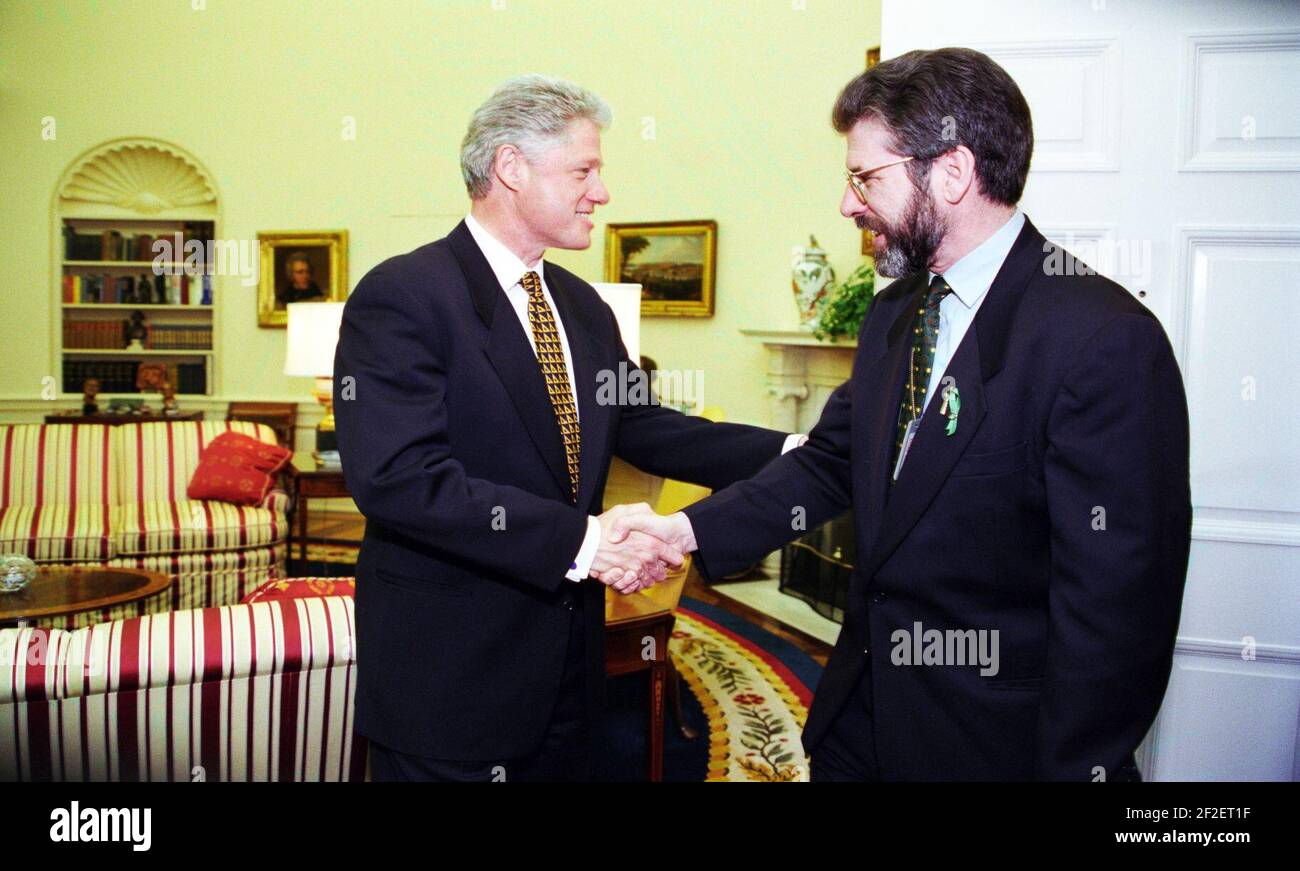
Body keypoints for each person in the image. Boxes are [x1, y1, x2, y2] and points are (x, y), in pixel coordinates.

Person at [613, 48, 1192, 781]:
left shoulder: (1102, 339)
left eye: (865, 177)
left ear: (951, 171)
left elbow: (1117, 616)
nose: (848, 203)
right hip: (860, 717)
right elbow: (828, 465)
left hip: (992, 746)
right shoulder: (893, 315)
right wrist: (685, 528)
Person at [332, 75, 800, 782]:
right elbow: (399, 478)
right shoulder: (404, 294)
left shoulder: (582, 306)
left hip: (569, 667)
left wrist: (796, 452)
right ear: (512, 169)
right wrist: (585, 541)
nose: (602, 193)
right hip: (451, 674)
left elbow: (641, 425)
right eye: (584, 169)